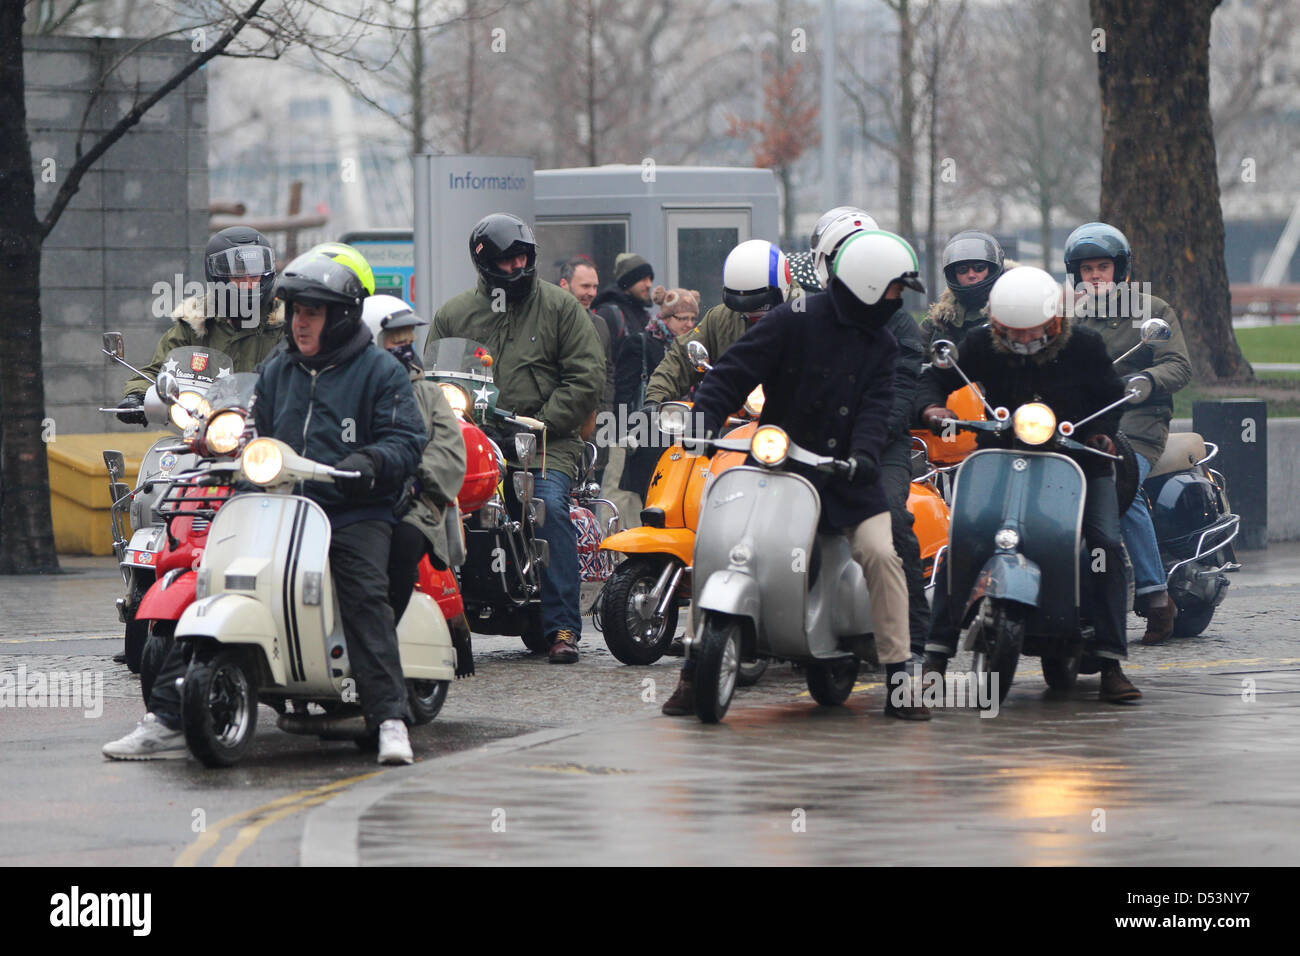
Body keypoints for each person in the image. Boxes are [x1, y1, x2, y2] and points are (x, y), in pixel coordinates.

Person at [102, 246, 427, 764]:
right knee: (210, 577)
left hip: (352, 506)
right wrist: (217, 439)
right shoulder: (281, 368)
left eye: (312, 312)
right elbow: (254, 420)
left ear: (342, 316)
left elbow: (407, 438)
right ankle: (164, 717)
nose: (299, 323)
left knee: (363, 593)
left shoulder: (379, 373)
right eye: (296, 311)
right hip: (275, 502)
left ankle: (388, 718)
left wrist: (370, 461)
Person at [661, 230, 931, 720]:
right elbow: (733, 372)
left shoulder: (885, 345)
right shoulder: (793, 321)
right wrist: (702, 421)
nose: (898, 300)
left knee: (879, 552)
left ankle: (899, 673)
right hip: (778, 466)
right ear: (871, 286)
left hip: (847, 477)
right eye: (895, 289)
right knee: (720, 543)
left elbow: (877, 408)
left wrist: (865, 455)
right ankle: (691, 669)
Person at [916, 265, 1141, 703]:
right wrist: (930, 408)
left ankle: (1110, 660)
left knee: (1104, 546)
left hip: (1077, 459)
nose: (1022, 341)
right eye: (1011, 333)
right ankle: (934, 659)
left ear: (1054, 320)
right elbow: (936, 377)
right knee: (960, 537)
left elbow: (1110, 396)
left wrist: (1105, 434)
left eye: (1033, 331)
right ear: (997, 324)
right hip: (1001, 453)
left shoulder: (1085, 346)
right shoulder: (981, 343)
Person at [425, 214, 604, 664]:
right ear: (485, 263)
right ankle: (434, 614)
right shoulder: (454, 314)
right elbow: (430, 378)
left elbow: (587, 376)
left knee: (545, 507)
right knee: (428, 502)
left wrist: (540, 421)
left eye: (523, 258)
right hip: (473, 437)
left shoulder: (561, 308)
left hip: (546, 442)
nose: (516, 267)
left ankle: (563, 625)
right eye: (506, 261)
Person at [1064, 221, 1193, 645]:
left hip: (1138, 420)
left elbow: (1178, 365)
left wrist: (1143, 383)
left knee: (1121, 482)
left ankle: (1156, 595)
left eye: (1103, 266)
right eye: (1087, 269)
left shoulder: (1150, 309)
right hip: (1079, 421)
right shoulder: (1065, 312)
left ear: (1120, 271)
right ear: (1075, 273)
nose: (1095, 275)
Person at [360, 295, 474, 676]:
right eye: (395, 339)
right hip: (358, 499)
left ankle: (375, 650)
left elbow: (450, 454)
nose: (405, 346)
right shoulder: (352, 390)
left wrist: (413, 480)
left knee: (404, 543)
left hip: (416, 505)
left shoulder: (428, 394)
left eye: (409, 338)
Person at [117, 226, 285, 422]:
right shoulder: (196, 322)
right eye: (239, 276)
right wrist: (139, 395)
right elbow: (159, 370)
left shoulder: (286, 323)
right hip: (207, 430)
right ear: (218, 276)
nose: (248, 282)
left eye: (254, 276)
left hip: (270, 430)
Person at [642, 239, 790, 407]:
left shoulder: (805, 316)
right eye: (741, 301)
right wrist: (655, 399)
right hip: (733, 421)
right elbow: (682, 358)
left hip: (792, 420)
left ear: (781, 288)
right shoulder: (719, 318)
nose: (751, 312)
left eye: (758, 301)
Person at [615, 287, 700, 499]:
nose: (689, 324)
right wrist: (626, 432)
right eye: (683, 318)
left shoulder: (695, 349)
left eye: (693, 318)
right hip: (644, 433)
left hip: (682, 436)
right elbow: (624, 392)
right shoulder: (640, 343)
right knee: (634, 498)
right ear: (666, 317)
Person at [559, 256, 613, 482]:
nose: (591, 293)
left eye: (594, 287)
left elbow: (608, 373)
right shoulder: (551, 321)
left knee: (590, 502)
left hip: (595, 431)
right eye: (585, 286)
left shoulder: (600, 325)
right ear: (564, 285)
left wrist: (603, 415)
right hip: (560, 431)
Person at [918, 230, 1009, 352]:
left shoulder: (1012, 310)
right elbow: (913, 358)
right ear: (953, 274)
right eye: (962, 269)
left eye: (979, 268)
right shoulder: (939, 321)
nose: (971, 275)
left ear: (992, 269)